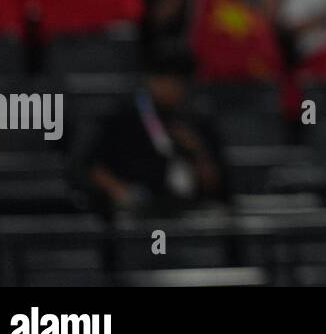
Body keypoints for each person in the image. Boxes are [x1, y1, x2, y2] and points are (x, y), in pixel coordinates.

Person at [82, 45, 228, 218]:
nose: (171, 88)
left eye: (178, 82)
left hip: (191, 209)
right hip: (140, 209)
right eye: (164, 80)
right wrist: (120, 191)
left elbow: (215, 183)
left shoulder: (198, 119)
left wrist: (197, 150)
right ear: (150, 79)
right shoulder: (125, 116)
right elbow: (92, 165)